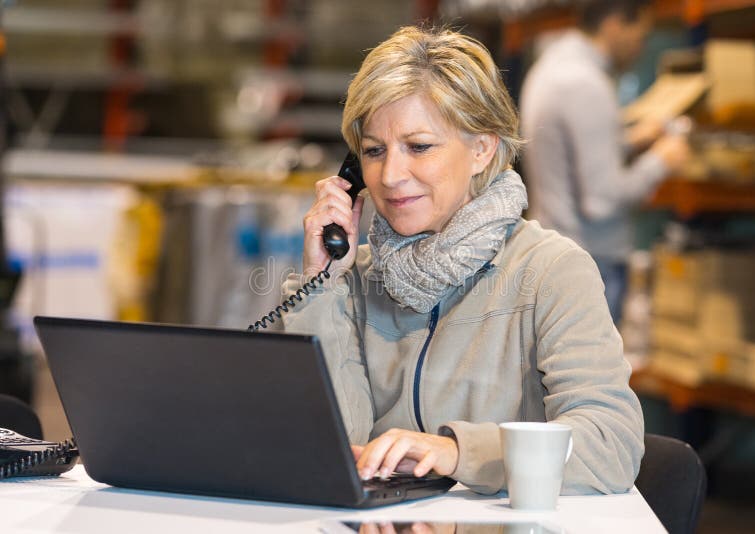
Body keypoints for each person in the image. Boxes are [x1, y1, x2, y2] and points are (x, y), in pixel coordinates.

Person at [277, 26, 644, 496]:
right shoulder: (351, 278)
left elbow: (612, 444)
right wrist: (321, 284)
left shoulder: (552, 270)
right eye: (373, 151)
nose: (390, 175)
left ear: (482, 149)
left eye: (419, 146)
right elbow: (327, 448)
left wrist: (458, 452)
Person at [519, 0, 690, 323]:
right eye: (640, 34)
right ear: (614, 23)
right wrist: (661, 160)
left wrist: (629, 141)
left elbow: (572, 156)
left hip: (560, 256)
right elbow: (602, 201)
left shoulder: (553, 67)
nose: (641, 46)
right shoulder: (585, 83)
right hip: (590, 265)